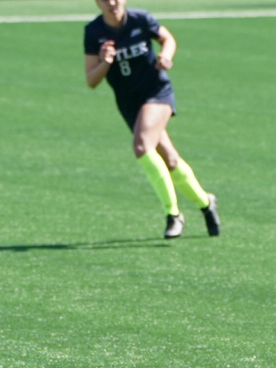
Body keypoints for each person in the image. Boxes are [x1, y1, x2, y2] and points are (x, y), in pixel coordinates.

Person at [84, 0, 220, 239]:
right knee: (170, 160)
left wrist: (166, 56)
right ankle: (206, 203)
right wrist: (105, 62)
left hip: (156, 93)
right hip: (129, 103)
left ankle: (173, 214)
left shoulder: (140, 19)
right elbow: (91, 81)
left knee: (141, 147)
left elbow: (167, 39)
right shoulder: (93, 32)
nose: (112, 3)